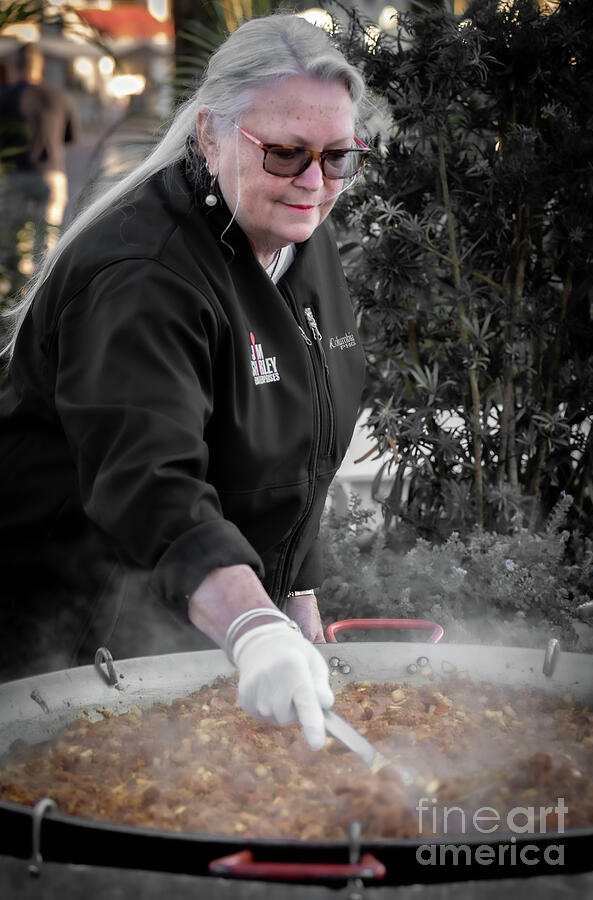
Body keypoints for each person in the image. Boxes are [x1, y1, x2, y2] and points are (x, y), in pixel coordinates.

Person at [0, 15, 369, 750]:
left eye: (339, 157)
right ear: (210, 135)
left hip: (190, 628)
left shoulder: (299, 226)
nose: (314, 182)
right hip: (67, 643)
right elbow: (150, 481)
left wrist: (294, 596)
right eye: (286, 152)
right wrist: (253, 626)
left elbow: (304, 442)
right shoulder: (142, 276)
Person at [0, 43, 78, 280]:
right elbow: (70, 137)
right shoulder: (57, 95)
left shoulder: (4, 96)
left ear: (15, 66)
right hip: (51, 174)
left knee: (15, 244)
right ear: (40, 66)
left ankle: (15, 298)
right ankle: (40, 297)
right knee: (46, 243)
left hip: (14, 176)